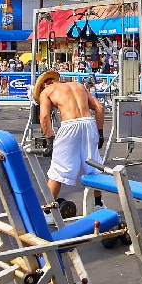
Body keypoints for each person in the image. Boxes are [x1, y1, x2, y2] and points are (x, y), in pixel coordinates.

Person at [35, 70, 105, 205]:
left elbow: (44, 117)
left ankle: (48, 210)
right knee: (94, 166)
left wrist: (49, 140)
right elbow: (99, 107)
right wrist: (100, 132)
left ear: (44, 84)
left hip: (69, 125)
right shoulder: (79, 86)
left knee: (58, 169)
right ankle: (98, 205)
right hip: (88, 123)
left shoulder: (47, 91)